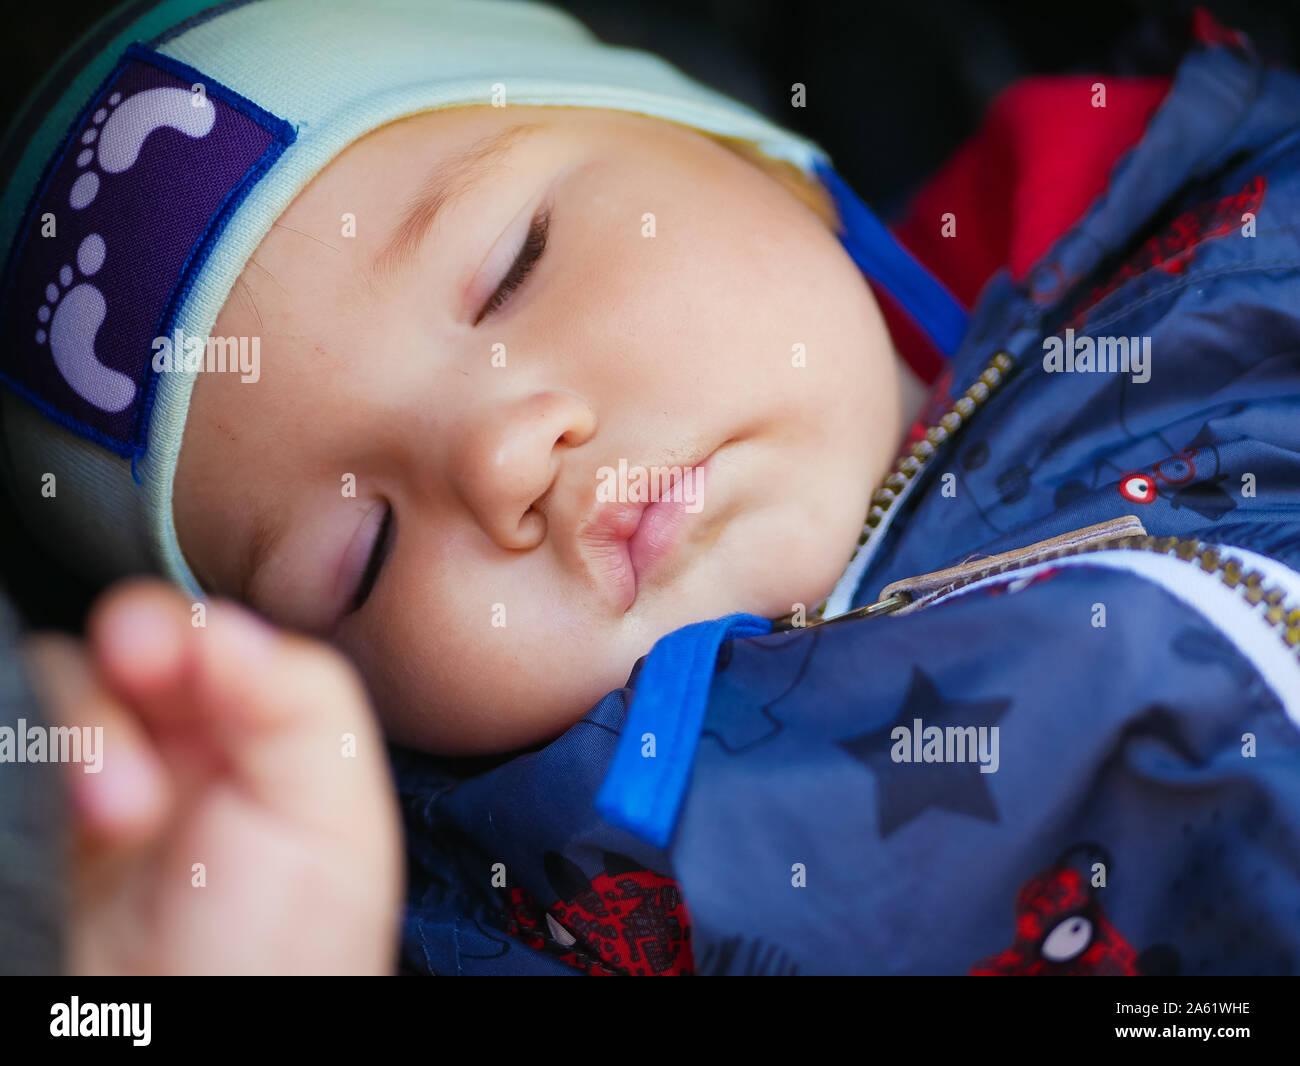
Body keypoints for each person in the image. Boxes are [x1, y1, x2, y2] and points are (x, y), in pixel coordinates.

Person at [2, 0, 1297, 974]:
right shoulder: (547, 903)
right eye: (364, 549)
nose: (502, 459)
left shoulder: (1229, 221)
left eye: (513, 266)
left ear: (749, 155)